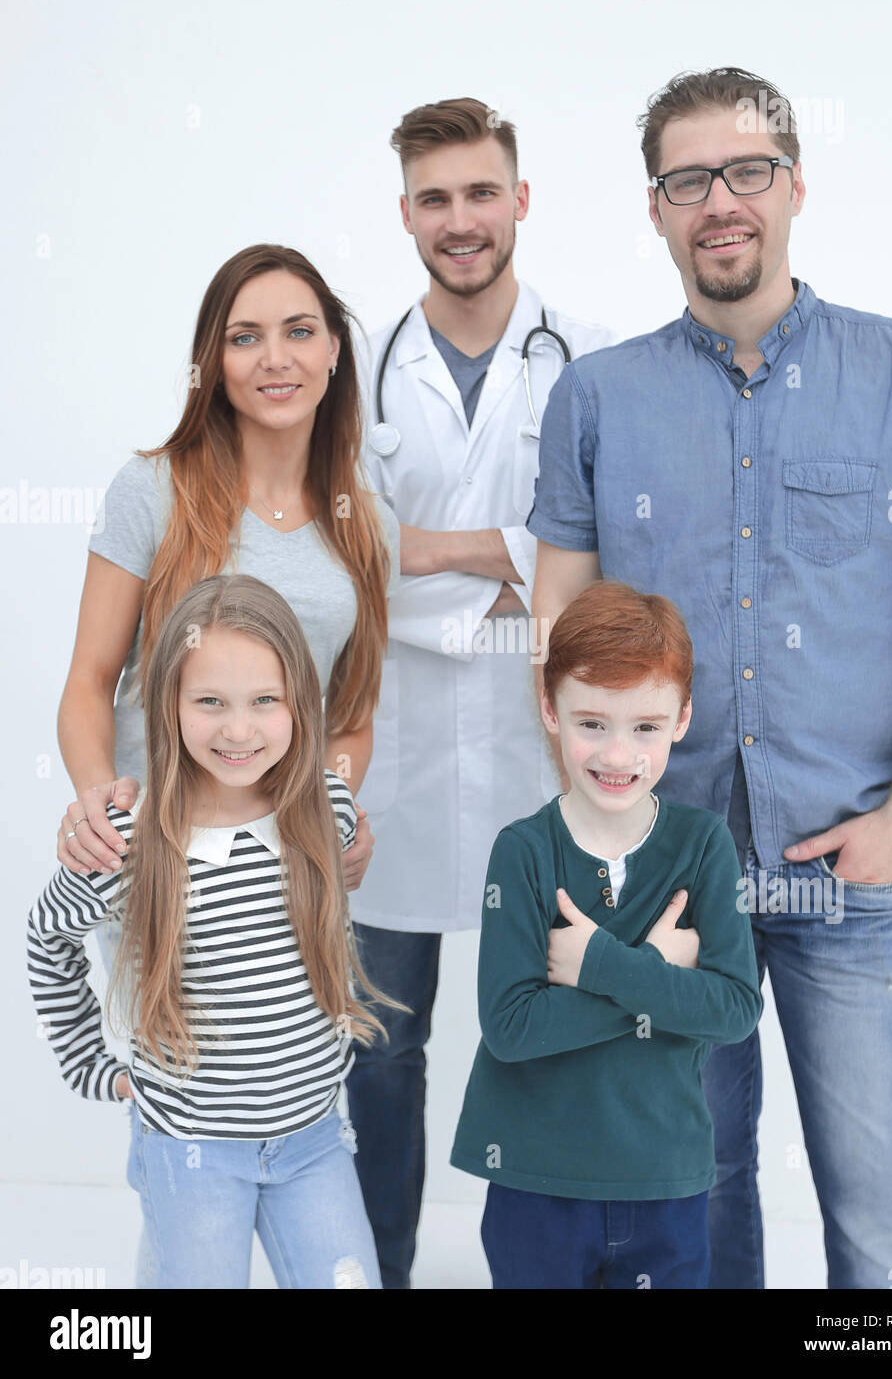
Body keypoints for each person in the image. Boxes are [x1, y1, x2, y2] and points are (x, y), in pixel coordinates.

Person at [528, 66, 892, 1289]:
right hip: (666, 893)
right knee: (689, 1204)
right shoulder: (595, 398)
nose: (716, 201)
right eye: (686, 179)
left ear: (792, 184)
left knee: (886, 1221)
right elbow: (559, 632)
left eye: (743, 172)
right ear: (655, 207)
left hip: (851, 881)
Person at [347, 97, 616, 1288]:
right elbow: (341, 546)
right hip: (387, 745)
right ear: (406, 212)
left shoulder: (594, 361)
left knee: (545, 1034)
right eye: (434, 198)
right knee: (379, 1048)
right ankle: (377, 1272)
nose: (460, 220)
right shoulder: (348, 367)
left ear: (519, 199)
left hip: (530, 743)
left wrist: (437, 550)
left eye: (479, 192)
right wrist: (511, 554)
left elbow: (604, 545)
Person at [29, 575, 405, 1289]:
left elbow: (349, 857)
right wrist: (90, 1066)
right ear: (167, 704)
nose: (239, 730)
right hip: (188, 1151)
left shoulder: (326, 805)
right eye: (210, 703)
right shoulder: (127, 840)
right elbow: (47, 937)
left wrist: (354, 847)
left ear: (300, 702)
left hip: (315, 1142)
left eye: (265, 701)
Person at [56, 242, 397, 896]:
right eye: (245, 338)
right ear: (213, 362)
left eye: (298, 331)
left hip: (289, 871)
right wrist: (99, 800)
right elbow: (90, 680)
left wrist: (336, 816)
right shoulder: (153, 492)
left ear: (333, 349)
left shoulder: (368, 524)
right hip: (157, 862)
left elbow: (350, 714)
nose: (275, 358)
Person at [450, 581, 761, 1288]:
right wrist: (655, 968)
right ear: (547, 709)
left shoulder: (702, 845)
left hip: (668, 1186)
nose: (617, 754)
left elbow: (734, 1009)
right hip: (535, 1186)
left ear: (681, 719)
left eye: (644, 727)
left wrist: (601, 965)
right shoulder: (523, 851)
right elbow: (511, 1028)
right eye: (591, 723)